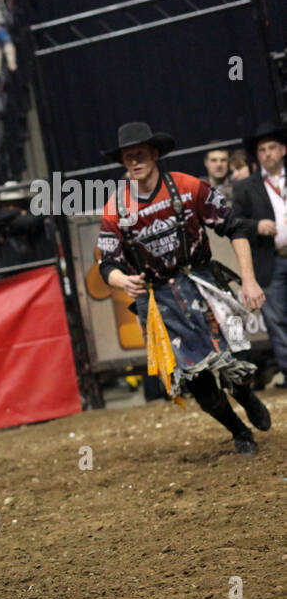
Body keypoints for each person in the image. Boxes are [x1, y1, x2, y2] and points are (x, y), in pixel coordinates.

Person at [97, 122, 269, 455]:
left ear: (155, 154)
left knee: (239, 359)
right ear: (122, 162)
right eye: (128, 156)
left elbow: (234, 227)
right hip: (160, 302)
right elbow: (107, 265)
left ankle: (246, 395)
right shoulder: (115, 210)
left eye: (140, 154)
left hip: (204, 284)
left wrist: (248, 279)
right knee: (199, 385)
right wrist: (123, 280)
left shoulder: (189, 187)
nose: (134, 161)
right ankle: (238, 430)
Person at [231, 122, 287, 387]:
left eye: (272, 147)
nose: (267, 153)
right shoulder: (245, 187)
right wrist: (257, 226)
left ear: (283, 149)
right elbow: (235, 224)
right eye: (262, 149)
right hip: (271, 259)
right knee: (276, 320)